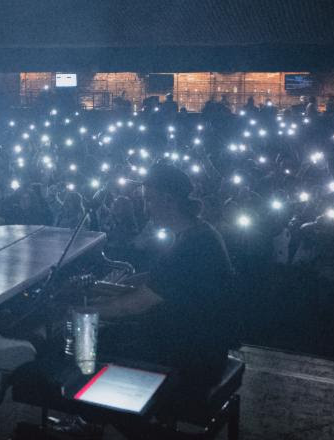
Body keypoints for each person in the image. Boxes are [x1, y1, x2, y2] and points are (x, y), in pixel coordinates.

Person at [90, 164, 237, 391]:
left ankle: (98, 415)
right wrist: (123, 284)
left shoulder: (193, 245)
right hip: (195, 343)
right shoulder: (198, 232)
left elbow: (131, 307)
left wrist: (79, 311)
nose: (146, 208)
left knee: (94, 347)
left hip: (191, 358)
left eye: (149, 199)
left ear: (168, 200)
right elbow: (168, 279)